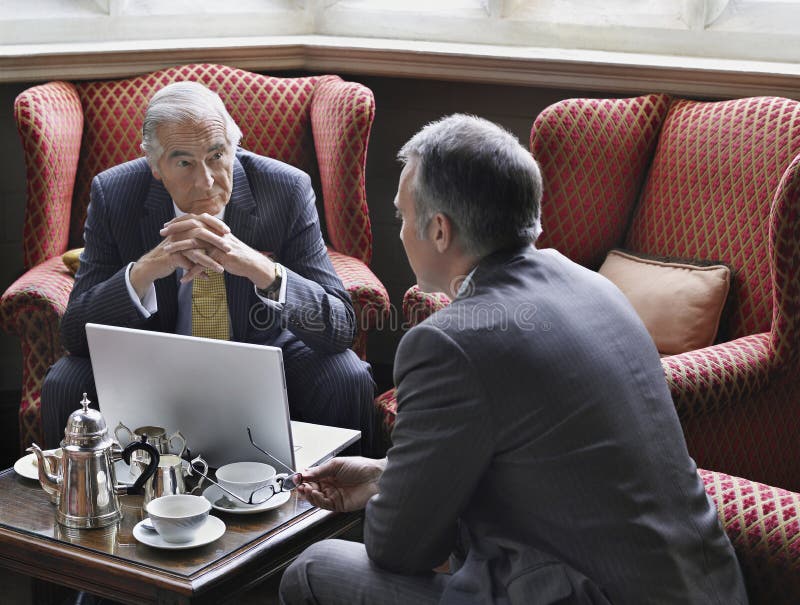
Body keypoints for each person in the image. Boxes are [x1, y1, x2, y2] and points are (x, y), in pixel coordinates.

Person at [279, 114, 748, 604]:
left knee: (311, 569)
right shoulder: (596, 288)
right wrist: (385, 477)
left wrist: (398, 499)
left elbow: (399, 550)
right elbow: (545, 459)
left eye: (402, 217)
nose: (400, 233)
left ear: (439, 230)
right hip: (711, 588)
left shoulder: (447, 344)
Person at [41, 81, 377, 456]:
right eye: (184, 162)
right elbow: (74, 336)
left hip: (263, 357)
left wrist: (262, 269)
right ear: (155, 166)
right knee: (65, 381)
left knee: (347, 376)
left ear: (234, 147)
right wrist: (146, 270)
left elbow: (340, 326)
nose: (206, 181)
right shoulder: (115, 193)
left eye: (217, 155)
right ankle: (77, 492)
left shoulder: (285, 188)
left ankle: (343, 495)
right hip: (152, 361)